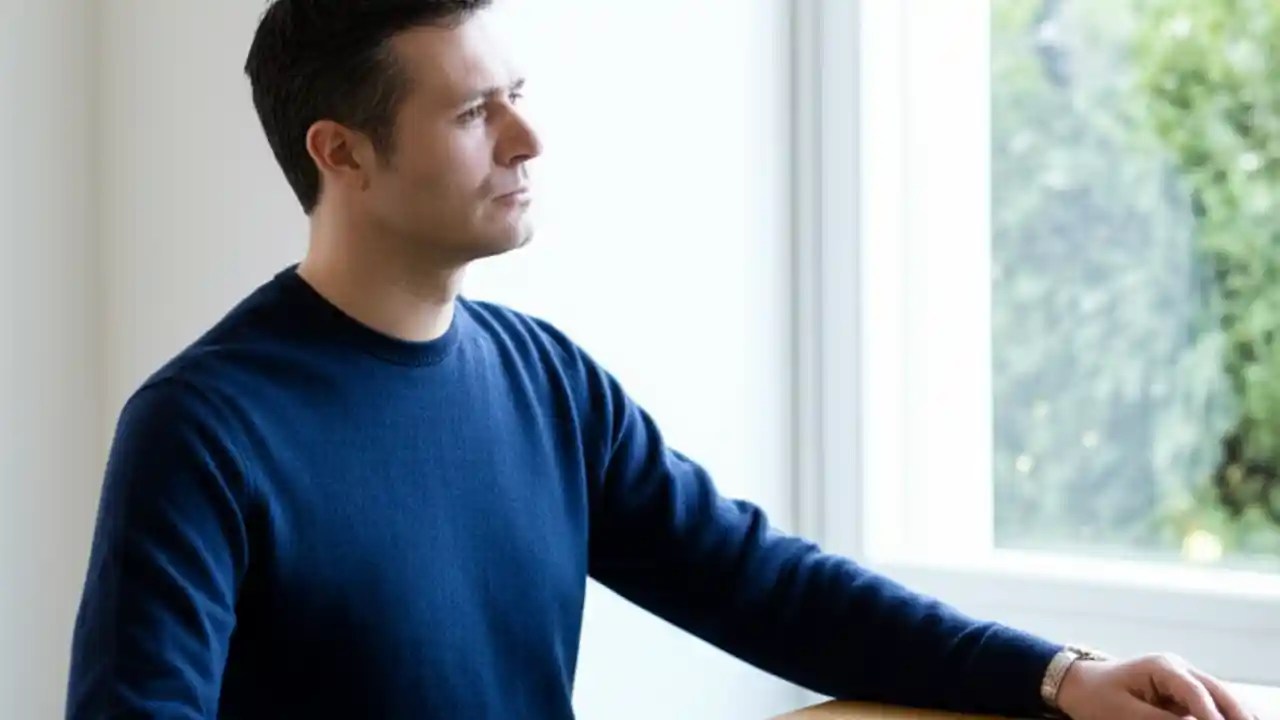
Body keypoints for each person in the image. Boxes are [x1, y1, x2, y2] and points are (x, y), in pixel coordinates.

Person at [66, 2, 1260, 719]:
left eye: (517, 94)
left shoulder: (545, 381)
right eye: (475, 113)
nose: (529, 139)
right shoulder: (203, 429)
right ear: (342, 154)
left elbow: (767, 588)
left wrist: (1057, 679)